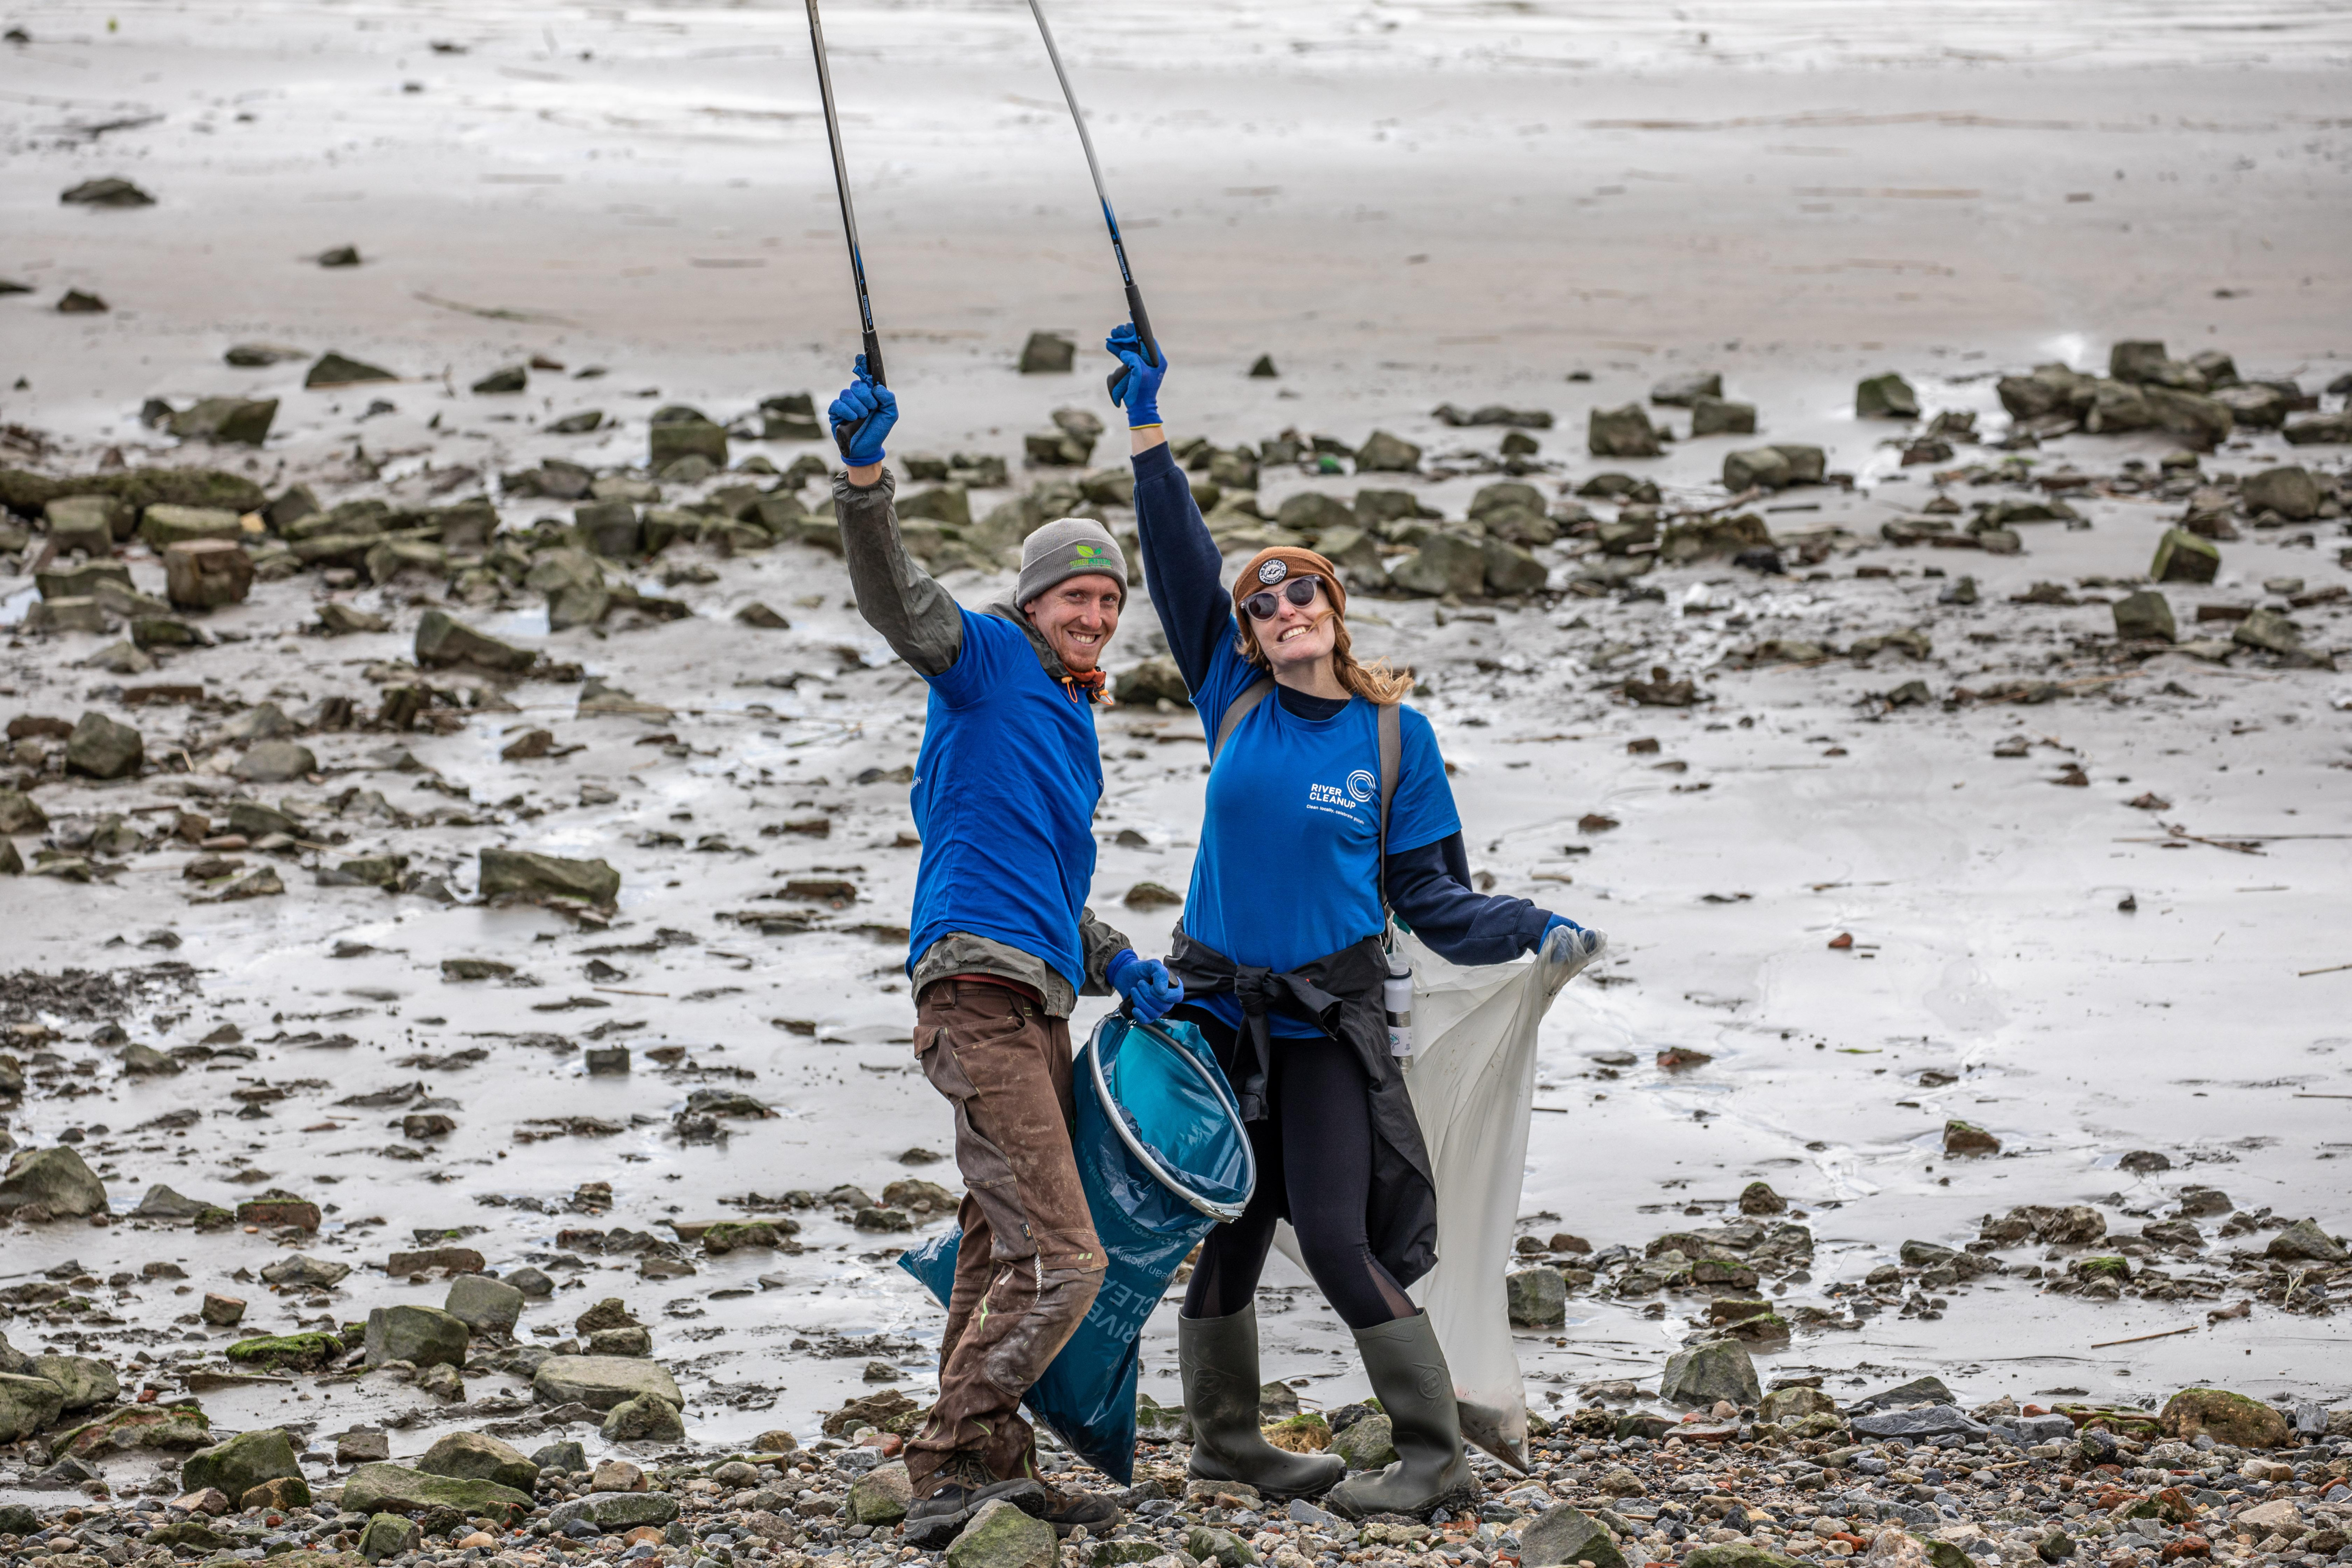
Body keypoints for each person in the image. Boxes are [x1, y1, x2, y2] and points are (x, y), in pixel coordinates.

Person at [1102, 325, 1606, 1517]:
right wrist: (1148, 430)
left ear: (1334, 607)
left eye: (1298, 591)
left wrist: (1535, 926)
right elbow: (1180, 560)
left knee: (1335, 1237)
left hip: (1330, 1020)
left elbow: (1432, 898)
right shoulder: (1232, 699)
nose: (1279, 606)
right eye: (1261, 600)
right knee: (1226, 1226)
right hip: (1216, 1006)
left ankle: (1435, 1455)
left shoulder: (1395, 739)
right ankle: (1226, 1441)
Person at [828, 359, 1186, 1546]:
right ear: (1033, 601)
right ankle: (943, 1451)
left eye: (1106, 603)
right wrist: (866, 476)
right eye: (1073, 597)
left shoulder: (1072, 724)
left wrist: (1116, 956)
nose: (1090, 616)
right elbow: (896, 598)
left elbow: (1049, 884)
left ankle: (984, 1471)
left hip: (1036, 1000)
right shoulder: (982, 661)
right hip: (974, 997)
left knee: (996, 1250)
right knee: (1066, 1259)